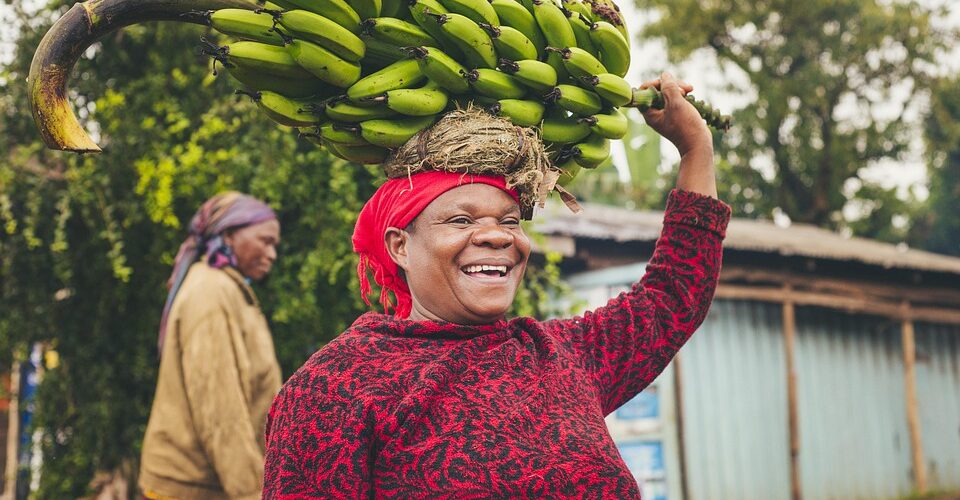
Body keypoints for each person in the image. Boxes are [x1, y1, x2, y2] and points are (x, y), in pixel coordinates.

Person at [262, 73, 729, 497]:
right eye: (461, 219)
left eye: (510, 220)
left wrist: (695, 149)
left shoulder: (559, 355)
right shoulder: (335, 388)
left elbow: (671, 297)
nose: (496, 235)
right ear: (400, 246)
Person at [140, 192, 283, 500]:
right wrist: (251, 492)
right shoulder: (210, 293)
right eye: (265, 241)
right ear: (229, 235)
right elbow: (220, 408)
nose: (271, 254)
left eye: (275, 245)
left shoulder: (226, 287)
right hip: (192, 487)